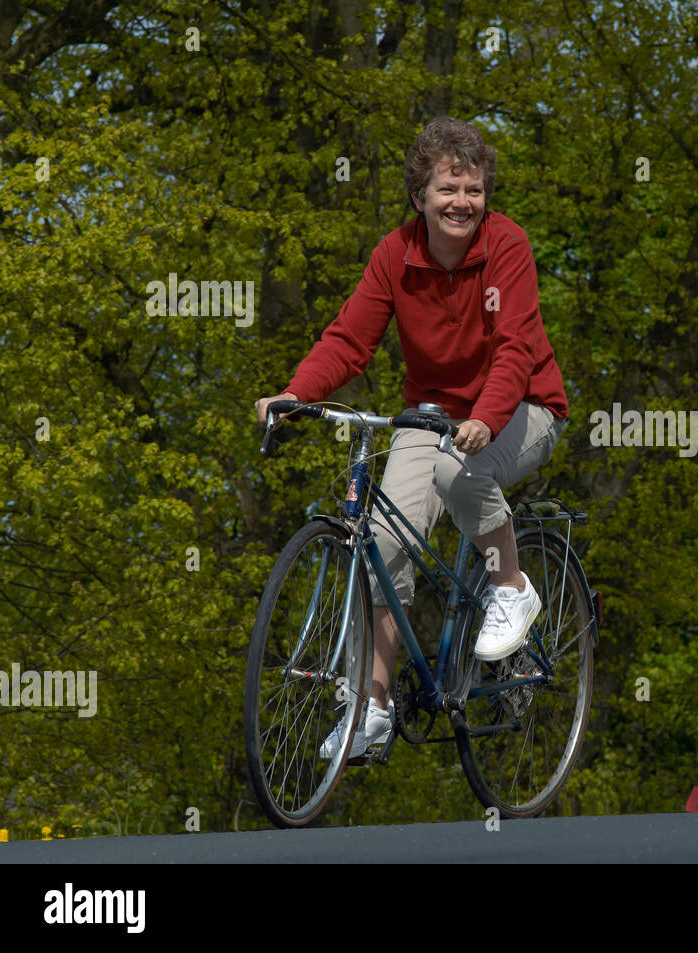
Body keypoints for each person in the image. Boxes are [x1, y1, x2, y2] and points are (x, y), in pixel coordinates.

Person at [255, 116, 569, 756]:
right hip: (433, 414)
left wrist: (485, 416)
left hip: (523, 407)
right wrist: (297, 394)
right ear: (419, 196)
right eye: (448, 189)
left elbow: (514, 349)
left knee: (460, 473)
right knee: (383, 541)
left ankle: (511, 586)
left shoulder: (507, 247)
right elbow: (349, 340)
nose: (462, 203)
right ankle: (370, 707)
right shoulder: (395, 256)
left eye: (474, 190)